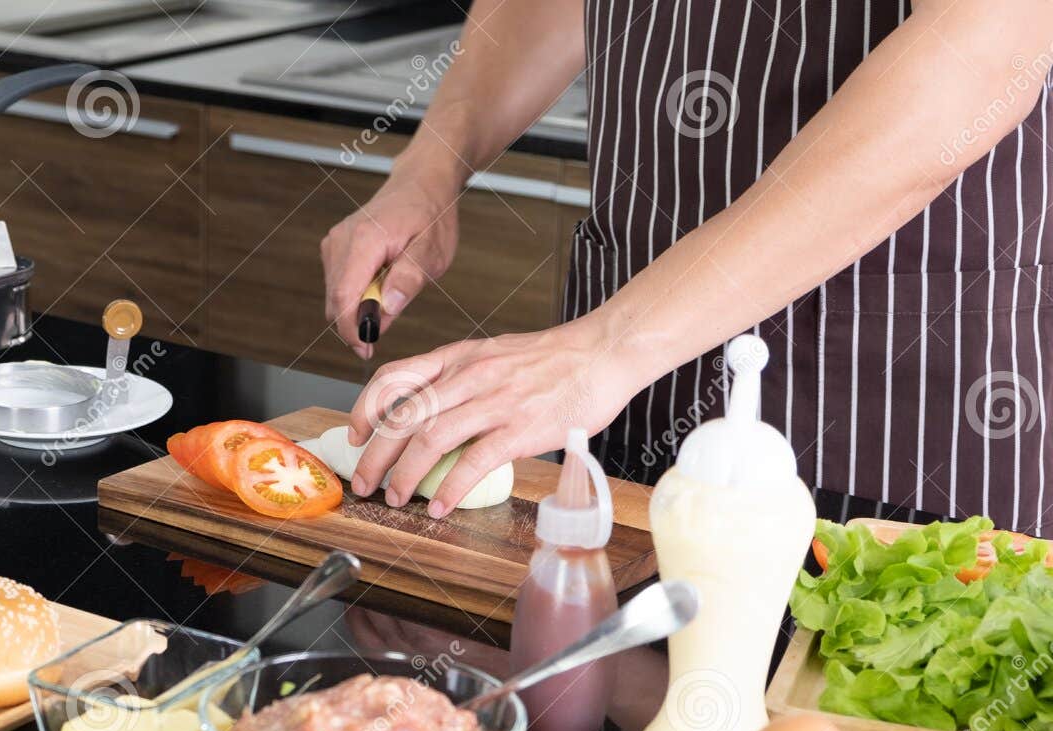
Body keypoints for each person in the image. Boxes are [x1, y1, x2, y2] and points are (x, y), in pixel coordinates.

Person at [321, 0, 1053, 532]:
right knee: (612, 720)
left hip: (886, 394)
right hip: (633, 379)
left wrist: (607, 347)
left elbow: (984, 49)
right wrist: (432, 165)